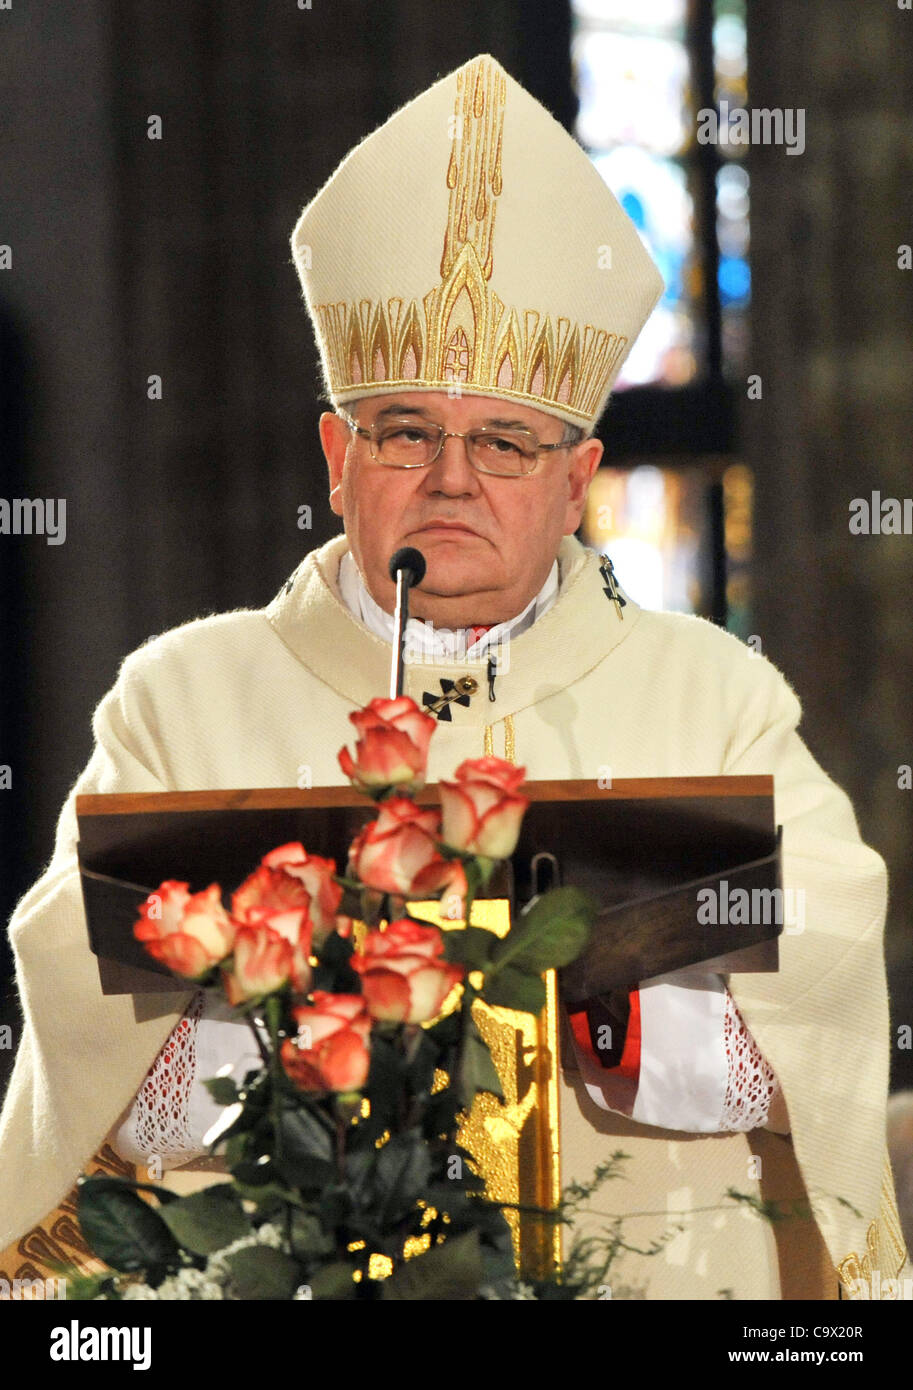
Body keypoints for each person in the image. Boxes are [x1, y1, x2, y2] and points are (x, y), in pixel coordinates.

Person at [0, 53, 906, 1300]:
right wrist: (317, 1022)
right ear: (335, 454)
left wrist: (599, 1018)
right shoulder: (178, 701)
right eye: (407, 431)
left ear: (577, 478)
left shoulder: (716, 700)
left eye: (504, 443)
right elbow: (93, 1070)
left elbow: (825, 999)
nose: (451, 478)